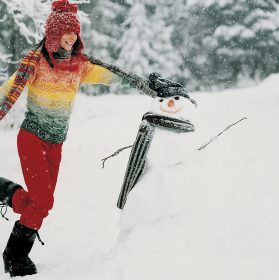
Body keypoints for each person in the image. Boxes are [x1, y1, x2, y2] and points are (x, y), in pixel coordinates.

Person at [0, 0, 162, 277]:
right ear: (53, 33)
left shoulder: (79, 65)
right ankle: (14, 256)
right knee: (41, 202)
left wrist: (146, 85)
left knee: (44, 204)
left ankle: (5, 191)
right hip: (31, 138)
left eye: (75, 32)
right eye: (67, 32)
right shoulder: (36, 61)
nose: (73, 37)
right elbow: (8, 89)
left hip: (56, 142)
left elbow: (112, 77)